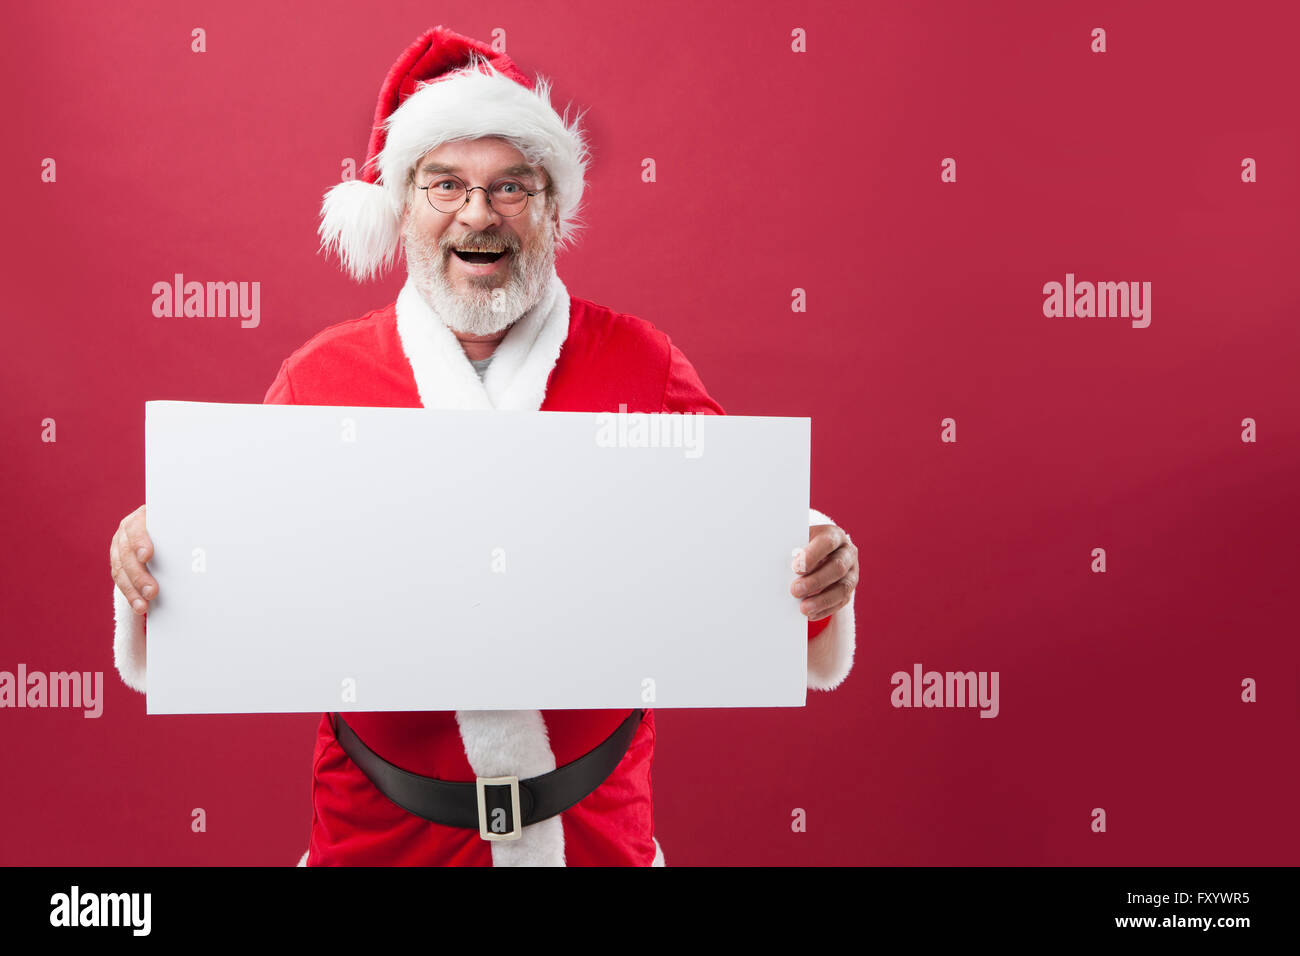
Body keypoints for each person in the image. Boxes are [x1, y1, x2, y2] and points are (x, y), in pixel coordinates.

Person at [107, 25, 859, 866]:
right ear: (403, 206)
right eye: (445, 186)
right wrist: (155, 554)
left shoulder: (643, 365)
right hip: (380, 838)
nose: (477, 214)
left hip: (592, 836)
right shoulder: (320, 380)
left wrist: (814, 564)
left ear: (552, 208)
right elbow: (227, 569)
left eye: (510, 187)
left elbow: (742, 557)